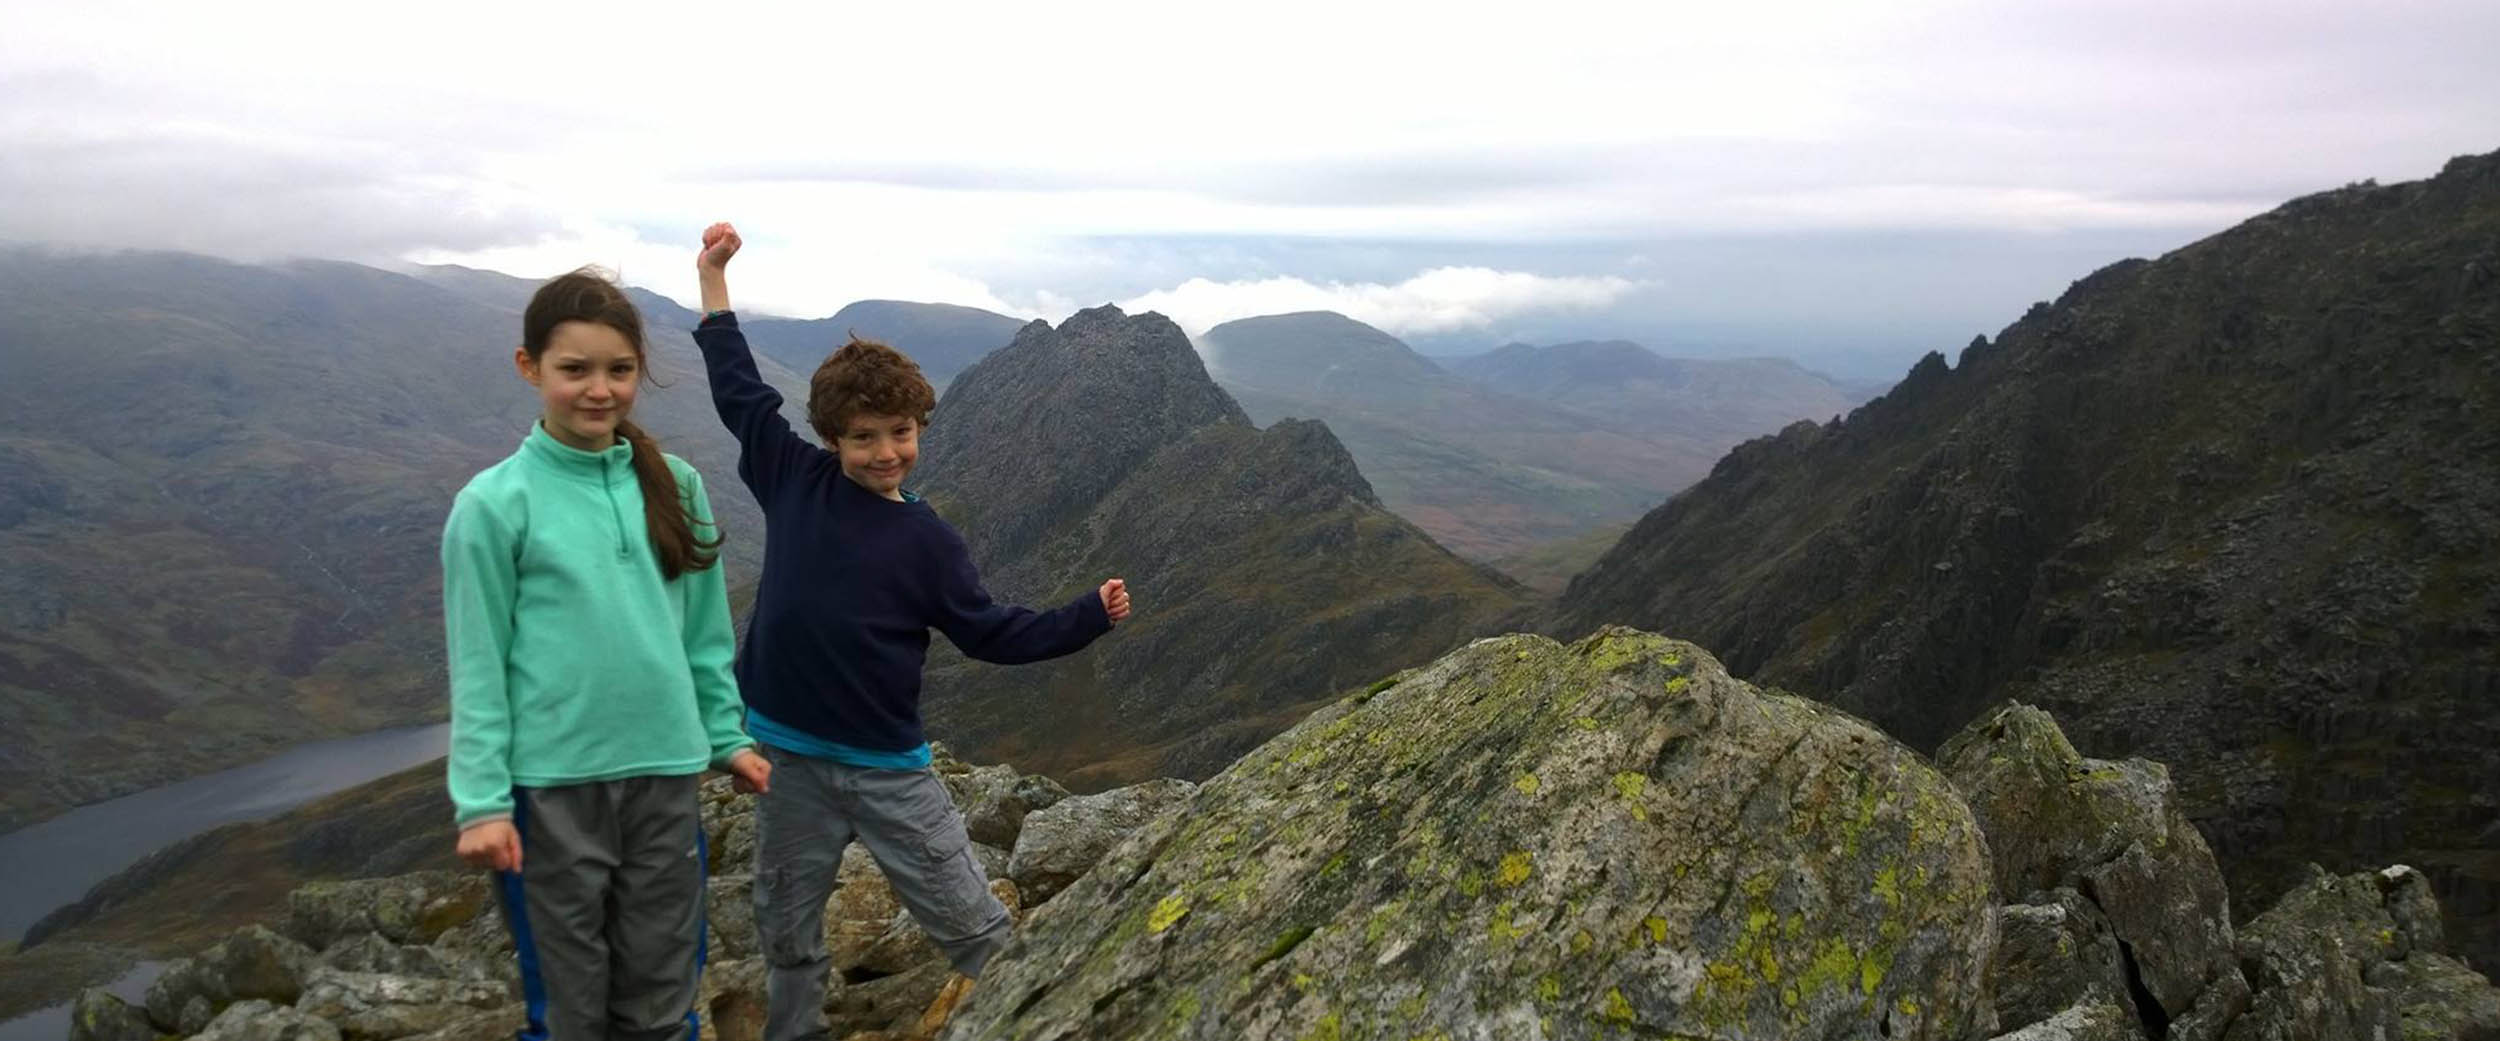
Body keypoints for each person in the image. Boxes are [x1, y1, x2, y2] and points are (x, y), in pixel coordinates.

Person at [688, 222, 1132, 1040]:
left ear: (921, 427)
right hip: (785, 761)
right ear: (831, 438)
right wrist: (712, 279)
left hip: (890, 770)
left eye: (901, 433)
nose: (886, 452)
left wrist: (1088, 616)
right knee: (785, 927)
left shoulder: (929, 542)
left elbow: (990, 631)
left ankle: (1028, 1021)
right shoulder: (792, 477)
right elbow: (738, 389)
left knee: (976, 927)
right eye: (863, 437)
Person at [442, 268, 773, 1041]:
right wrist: (483, 801)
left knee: (661, 998)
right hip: (551, 791)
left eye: (618, 370)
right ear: (529, 368)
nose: (600, 389)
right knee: (569, 1011)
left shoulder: (677, 486)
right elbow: (479, 663)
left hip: (663, 776)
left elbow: (702, 635)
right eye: (575, 370)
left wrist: (726, 737)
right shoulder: (493, 506)